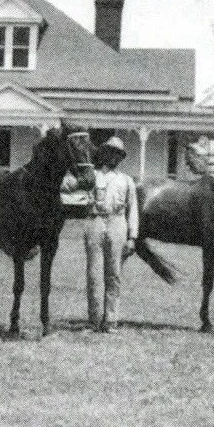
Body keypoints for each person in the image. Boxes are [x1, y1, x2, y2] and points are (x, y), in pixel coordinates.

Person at [84, 136, 139, 334]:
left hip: (117, 223)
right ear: (104, 153)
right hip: (95, 221)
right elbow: (71, 185)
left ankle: (111, 321)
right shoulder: (92, 176)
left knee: (114, 274)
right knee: (93, 274)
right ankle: (94, 320)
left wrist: (132, 237)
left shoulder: (126, 180)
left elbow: (132, 210)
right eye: (111, 152)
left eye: (118, 154)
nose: (114, 157)